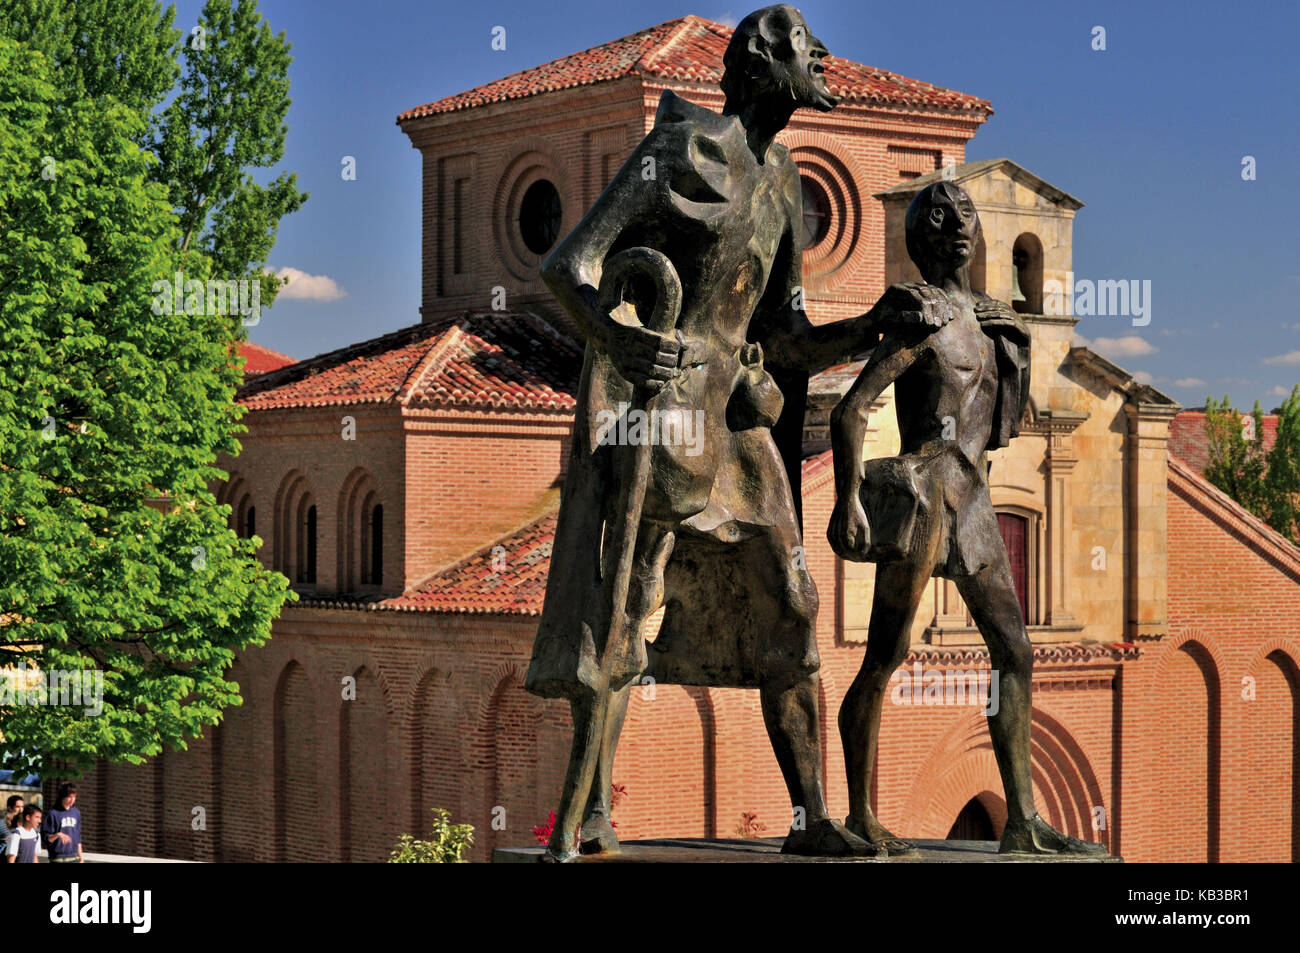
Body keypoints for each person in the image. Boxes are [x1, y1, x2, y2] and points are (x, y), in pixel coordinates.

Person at [527, 4, 940, 861]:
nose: (822, 55)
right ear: (761, 65)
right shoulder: (678, 150)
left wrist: (869, 323)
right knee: (628, 608)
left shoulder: (785, 177)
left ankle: (812, 819)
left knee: (792, 604)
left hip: (740, 426)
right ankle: (594, 808)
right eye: (802, 44)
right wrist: (621, 339)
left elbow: (785, 333)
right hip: (663, 414)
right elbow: (569, 266)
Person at [828, 180, 1105, 855]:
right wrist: (848, 498)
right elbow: (850, 408)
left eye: (966, 217)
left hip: (974, 503)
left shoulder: (993, 322)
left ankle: (1022, 821)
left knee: (1015, 651)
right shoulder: (918, 319)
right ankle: (860, 814)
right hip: (925, 496)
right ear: (920, 239)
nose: (956, 228)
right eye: (940, 219)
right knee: (884, 657)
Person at [41, 783, 82, 863]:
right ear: (62, 796)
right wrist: (57, 835)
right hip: (58, 858)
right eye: (69, 797)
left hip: (73, 857)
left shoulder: (76, 813)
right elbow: (46, 839)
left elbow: (78, 837)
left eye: (74, 797)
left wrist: (81, 857)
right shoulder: (53, 814)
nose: (72, 800)